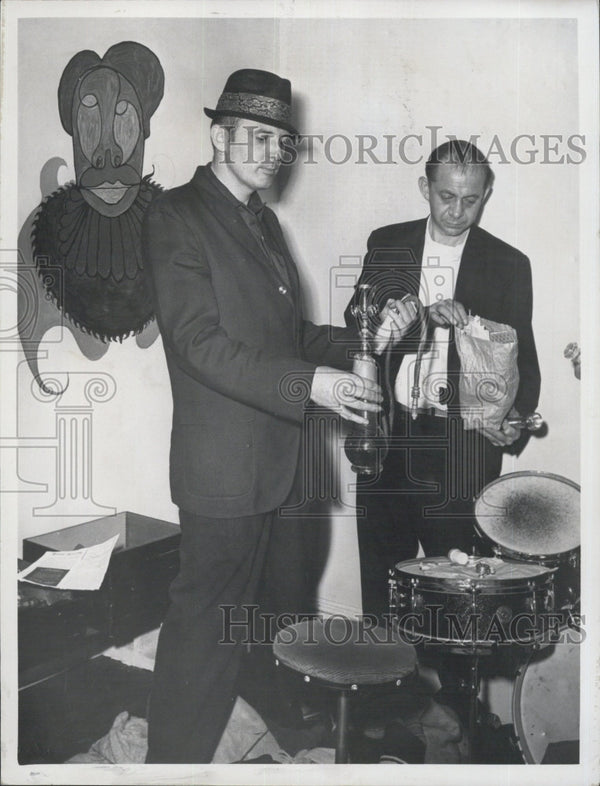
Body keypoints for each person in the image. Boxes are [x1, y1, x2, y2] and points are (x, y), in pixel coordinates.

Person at [141, 68, 411, 764]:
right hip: (225, 474)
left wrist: (371, 339)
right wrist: (313, 387)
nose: (269, 152)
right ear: (218, 135)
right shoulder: (176, 215)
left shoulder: (262, 221)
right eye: (255, 136)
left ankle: (276, 743)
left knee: (279, 629)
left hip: (288, 473)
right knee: (205, 636)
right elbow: (198, 344)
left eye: (279, 140)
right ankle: (171, 763)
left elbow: (292, 338)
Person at [346, 140, 541, 622]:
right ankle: (382, 693)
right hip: (388, 442)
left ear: (486, 193)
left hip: (461, 450)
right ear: (424, 188)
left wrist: (512, 417)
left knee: (457, 592)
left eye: (470, 199)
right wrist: (418, 318)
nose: (456, 211)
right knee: (382, 584)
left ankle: (456, 698)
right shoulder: (387, 243)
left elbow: (525, 362)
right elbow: (358, 327)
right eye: (445, 196)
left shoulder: (508, 263)